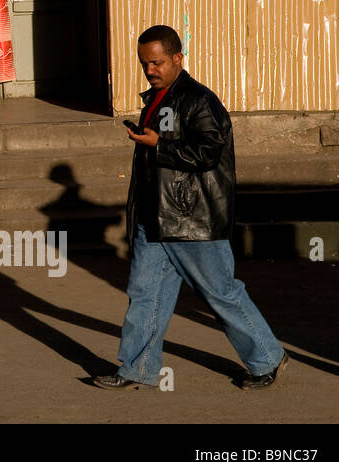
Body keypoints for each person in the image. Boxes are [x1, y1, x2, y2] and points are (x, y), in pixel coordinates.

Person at [93, 25, 288, 390]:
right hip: (155, 218)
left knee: (221, 293)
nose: (150, 70)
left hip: (192, 220)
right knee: (145, 294)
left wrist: (158, 144)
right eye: (144, 63)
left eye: (157, 62)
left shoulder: (199, 100)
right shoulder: (157, 97)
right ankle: (137, 369)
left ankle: (267, 358)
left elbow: (209, 152)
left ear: (178, 58)